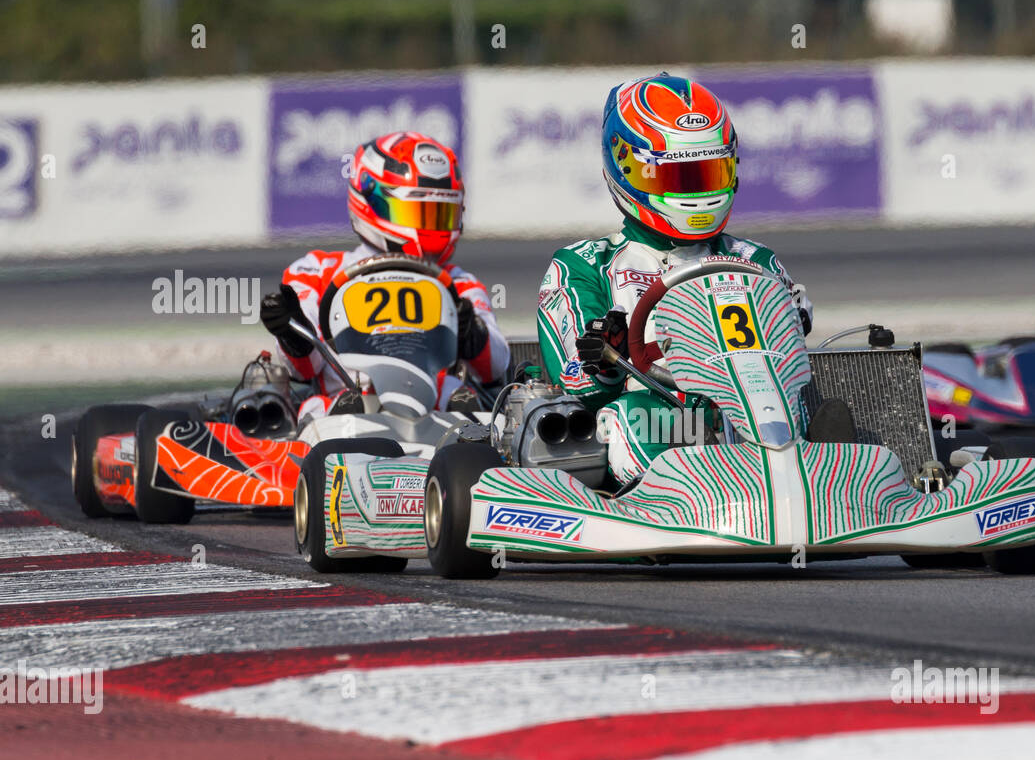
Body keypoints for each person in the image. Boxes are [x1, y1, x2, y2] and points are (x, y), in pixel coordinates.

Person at [535, 73, 812, 486]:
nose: (697, 192)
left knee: (816, 408)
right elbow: (576, 379)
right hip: (659, 422)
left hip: (755, 415)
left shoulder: (754, 259)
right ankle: (687, 492)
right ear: (628, 167)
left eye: (708, 174)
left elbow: (792, 353)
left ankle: (809, 477)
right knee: (634, 414)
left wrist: (794, 312)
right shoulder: (583, 266)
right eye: (680, 178)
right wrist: (606, 355)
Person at [259, 132, 509, 421]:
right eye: (420, 213)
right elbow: (304, 368)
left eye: (441, 215)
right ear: (372, 202)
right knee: (315, 409)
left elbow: (496, 366)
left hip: (437, 417)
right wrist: (291, 331)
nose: (433, 228)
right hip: (344, 412)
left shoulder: (459, 283)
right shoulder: (316, 270)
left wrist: (471, 332)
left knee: (464, 400)